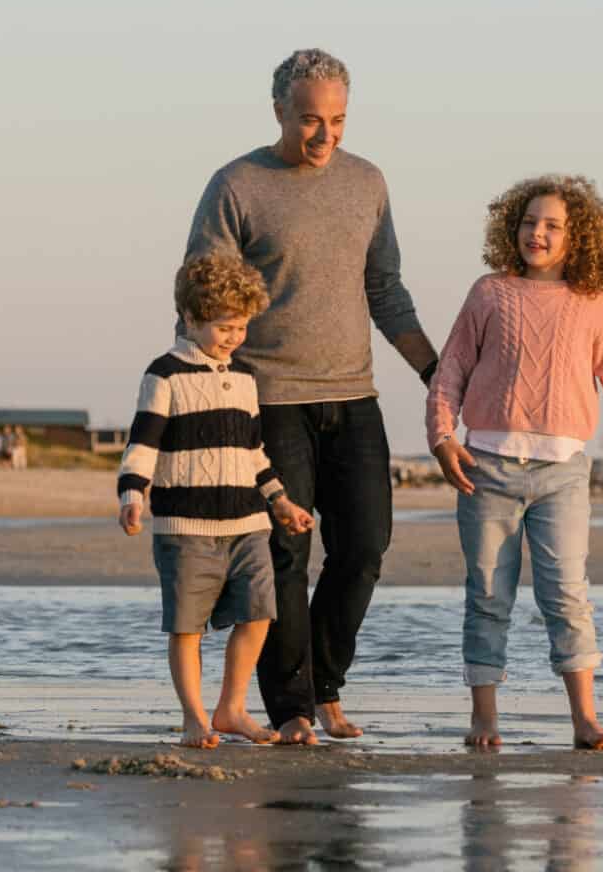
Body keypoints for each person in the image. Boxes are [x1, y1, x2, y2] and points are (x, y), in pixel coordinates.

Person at [185, 48, 439, 746]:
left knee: (365, 545)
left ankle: (326, 682)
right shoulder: (237, 184)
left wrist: (434, 370)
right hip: (268, 400)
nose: (324, 136)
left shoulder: (368, 184)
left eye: (337, 120)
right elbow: (200, 297)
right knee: (287, 556)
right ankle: (291, 707)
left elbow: (385, 289)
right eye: (309, 121)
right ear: (278, 112)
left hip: (354, 395)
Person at [427, 175, 603, 752]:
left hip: (562, 474)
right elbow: (452, 371)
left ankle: (585, 720)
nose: (537, 233)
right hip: (485, 466)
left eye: (552, 225)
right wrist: (442, 437)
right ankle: (485, 718)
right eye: (529, 222)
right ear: (511, 228)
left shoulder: (592, 303)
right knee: (488, 595)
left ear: (578, 237)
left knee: (566, 593)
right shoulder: (489, 292)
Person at [119, 253, 316, 749]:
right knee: (188, 627)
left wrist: (281, 502)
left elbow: (254, 454)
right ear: (191, 318)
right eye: (224, 326)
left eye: (242, 327)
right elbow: (143, 444)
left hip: (248, 525)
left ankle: (232, 707)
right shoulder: (164, 375)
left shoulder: (245, 382)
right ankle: (194, 718)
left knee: (259, 614)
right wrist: (132, 495)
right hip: (185, 528)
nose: (233, 336)